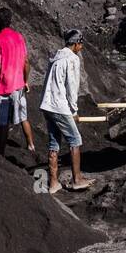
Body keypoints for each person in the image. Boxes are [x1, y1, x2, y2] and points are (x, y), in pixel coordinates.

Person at [39, 29, 91, 193]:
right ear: (76, 44)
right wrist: (74, 111)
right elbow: (72, 87)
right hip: (59, 106)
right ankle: (77, 179)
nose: (81, 47)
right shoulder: (72, 59)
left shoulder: (55, 57)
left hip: (47, 105)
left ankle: (53, 184)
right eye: (80, 44)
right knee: (75, 140)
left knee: (54, 142)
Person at [0, 7, 34, 156]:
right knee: (23, 117)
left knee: (3, 123)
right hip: (18, 85)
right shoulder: (19, 37)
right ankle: (31, 145)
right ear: (10, 20)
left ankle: (1, 153)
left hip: (4, 87)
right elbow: (26, 62)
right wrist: (25, 80)